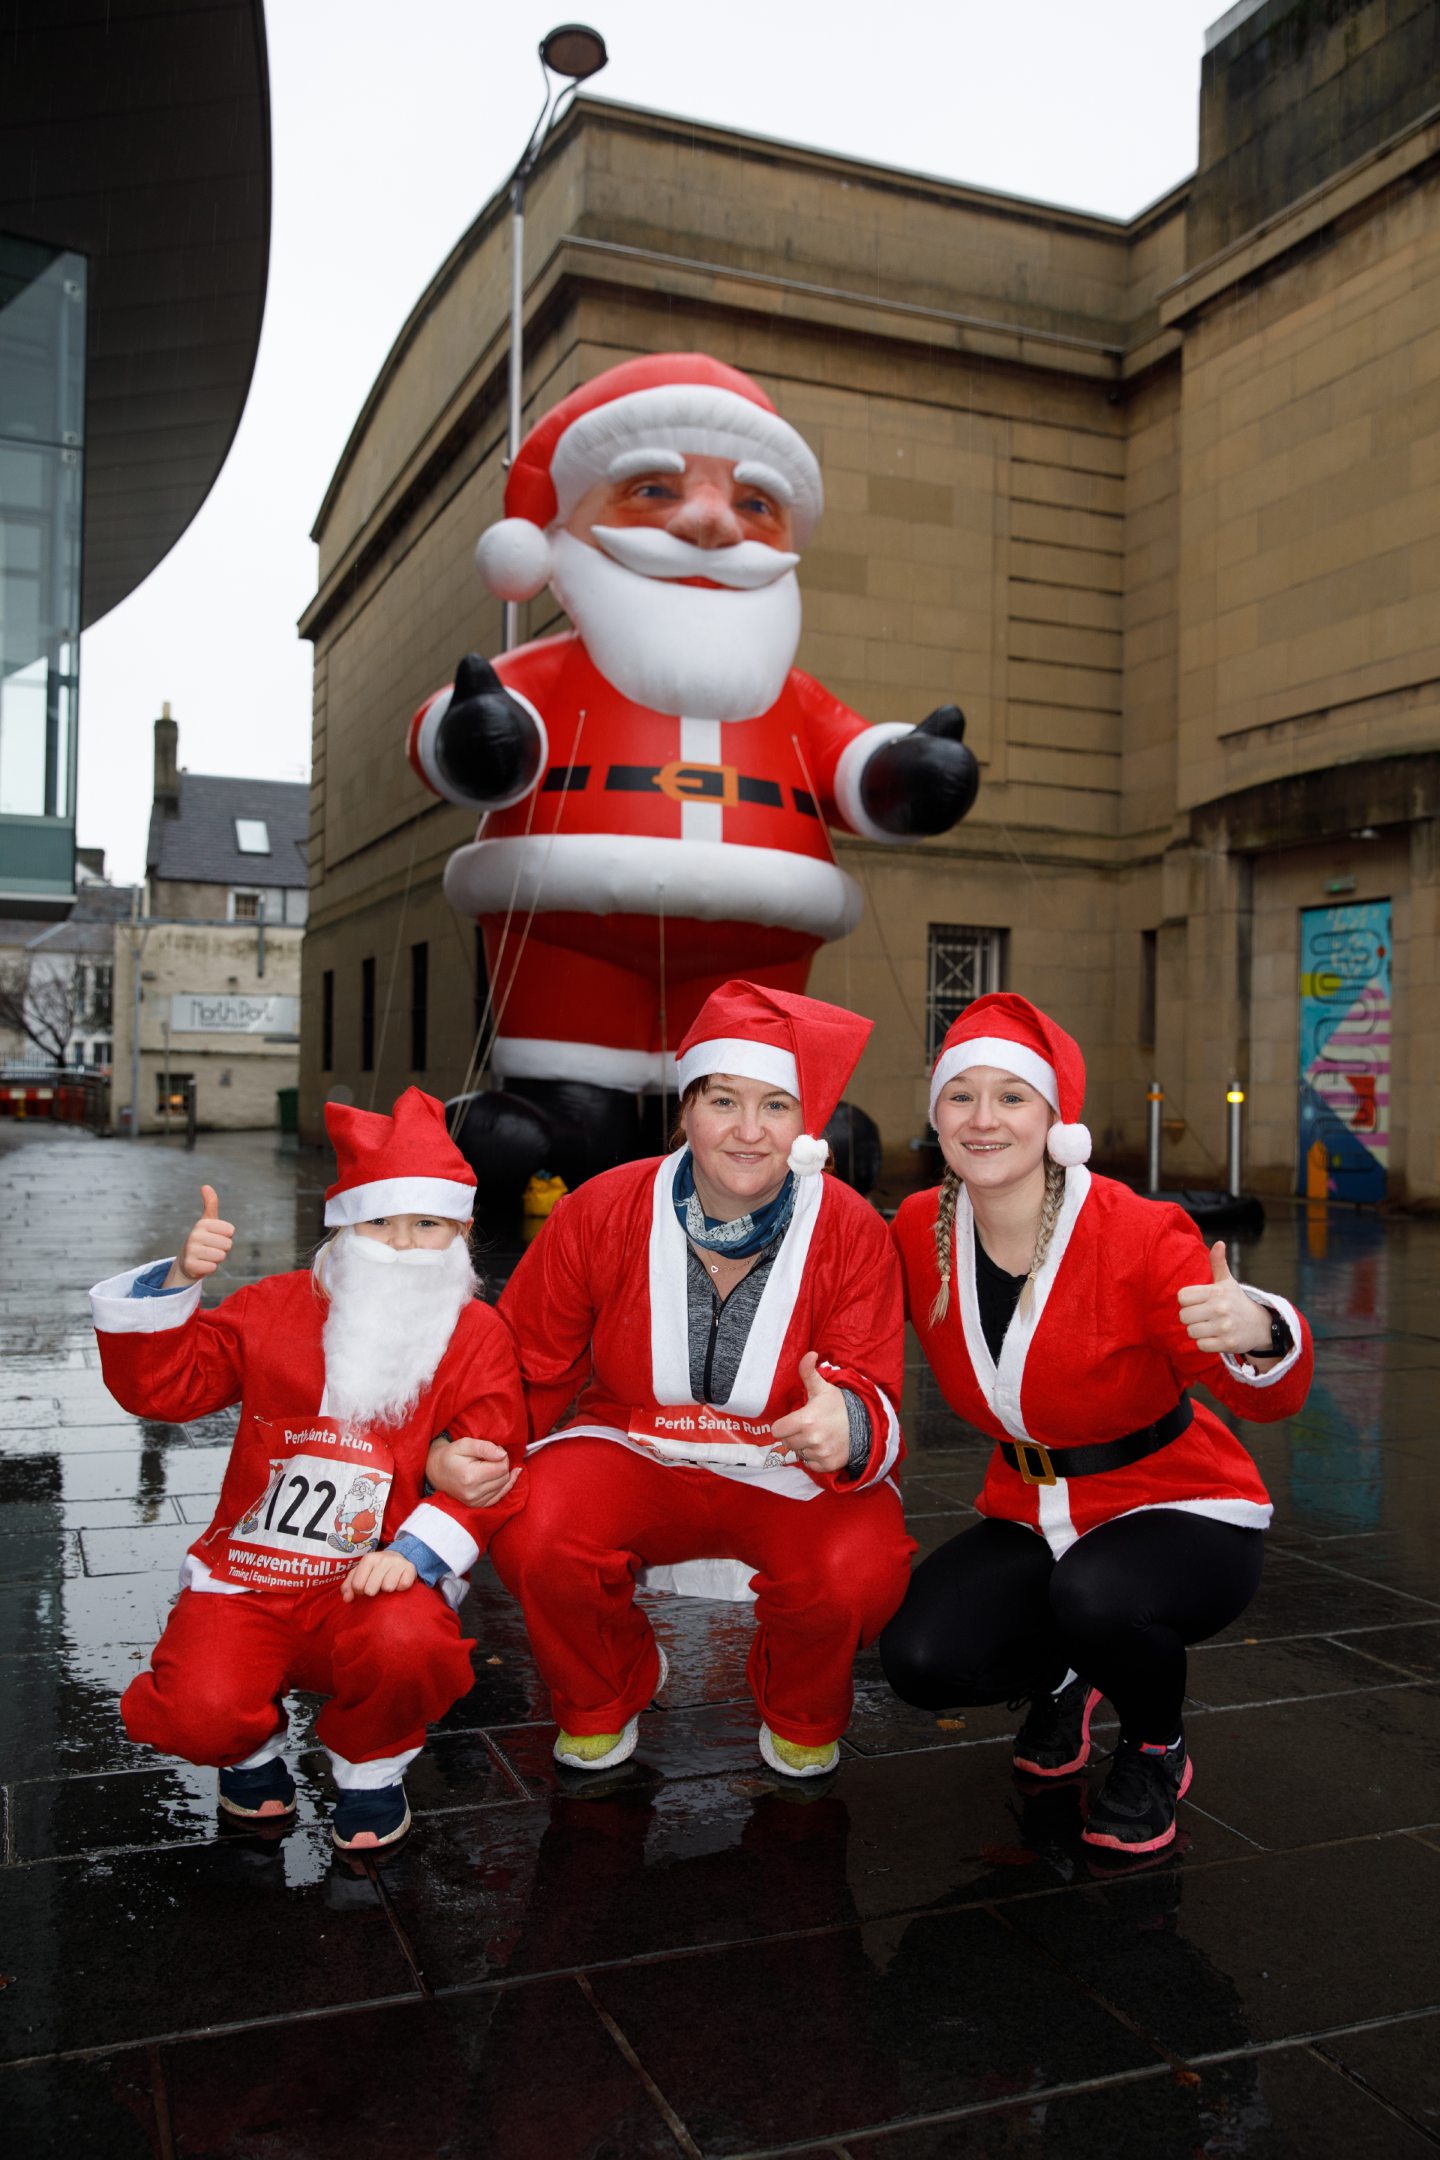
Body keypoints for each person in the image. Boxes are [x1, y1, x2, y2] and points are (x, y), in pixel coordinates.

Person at [406, 351, 978, 1172]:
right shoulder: (559, 670)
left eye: (753, 502)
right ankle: (557, 1125)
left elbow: (851, 760)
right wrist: (477, 737)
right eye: (656, 489)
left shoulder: (791, 695)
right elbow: (456, 731)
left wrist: (904, 774)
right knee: (568, 1126)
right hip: (573, 930)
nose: (712, 523)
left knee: (747, 1081)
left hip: (761, 941)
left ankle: (764, 1131)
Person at [427, 980, 911, 1778]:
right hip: (632, 1446)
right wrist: (460, 1452)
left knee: (861, 1567)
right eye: (724, 1100)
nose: (749, 1132)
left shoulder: (851, 1226)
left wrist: (848, 1423)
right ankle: (602, 1687)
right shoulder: (601, 1208)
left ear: (806, 1124)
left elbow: (870, 1384)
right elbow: (529, 1363)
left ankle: (800, 1702)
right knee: (533, 1523)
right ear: (686, 1108)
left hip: (783, 1466)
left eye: (778, 1106)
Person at [880, 995, 1313, 1853]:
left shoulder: (1139, 1232)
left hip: (1178, 1502)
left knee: (1098, 1594)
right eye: (961, 1095)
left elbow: (1271, 1398)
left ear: (1051, 1116)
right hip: (1031, 1506)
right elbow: (837, 1309)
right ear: (936, 1116)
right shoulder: (916, 1228)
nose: (984, 1118)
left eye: (1012, 1096)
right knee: (921, 1658)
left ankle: (1157, 1745)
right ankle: (1074, 1674)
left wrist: (1257, 1330)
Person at [90, 1087, 528, 1851]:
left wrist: (417, 1552)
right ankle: (249, 1754)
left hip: (376, 1575)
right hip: (251, 1575)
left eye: (426, 1224)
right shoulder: (275, 1306)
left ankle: (370, 1769)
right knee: (197, 1710)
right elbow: (165, 1388)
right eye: (379, 1222)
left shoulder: (477, 1332)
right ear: (344, 1225)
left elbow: (495, 1461)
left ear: (461, 1229)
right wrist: (174, 1287)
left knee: (409, 1650)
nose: (400, 1243)